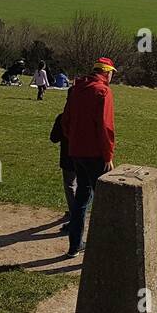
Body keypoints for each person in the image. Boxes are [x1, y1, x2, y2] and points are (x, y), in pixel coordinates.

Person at [60, 57, 117, 257]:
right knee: (105, 201)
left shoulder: (76, 89)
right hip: (96, 155)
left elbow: (65, 121)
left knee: (81, 199)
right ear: (107, 72)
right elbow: (106, 127)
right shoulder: (103, 92)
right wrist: (108, 155)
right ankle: (105, 248)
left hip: (76, 152)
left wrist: (75, 141)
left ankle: (74, 245)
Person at [49, 112, 76, 228]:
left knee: (70, 185)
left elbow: (54, 138)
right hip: (87, 157)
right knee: (84, 186)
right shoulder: (87, 116)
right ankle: (78, 210)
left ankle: (75, 215)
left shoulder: (63, 117)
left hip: (68, 157)